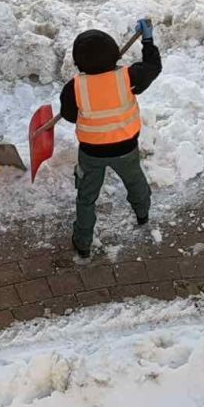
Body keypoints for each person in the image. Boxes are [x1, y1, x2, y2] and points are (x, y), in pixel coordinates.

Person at [60, 19, 162, 259]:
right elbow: (153, 66)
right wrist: (147, 40)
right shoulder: (128, 77)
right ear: (115, 54)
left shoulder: (74, 87)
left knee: (86, 197)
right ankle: (142, 213)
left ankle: (83, 243)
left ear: (78, 62)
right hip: (125, 148)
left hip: (91, 152)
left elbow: (69, 116)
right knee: (135, 180)